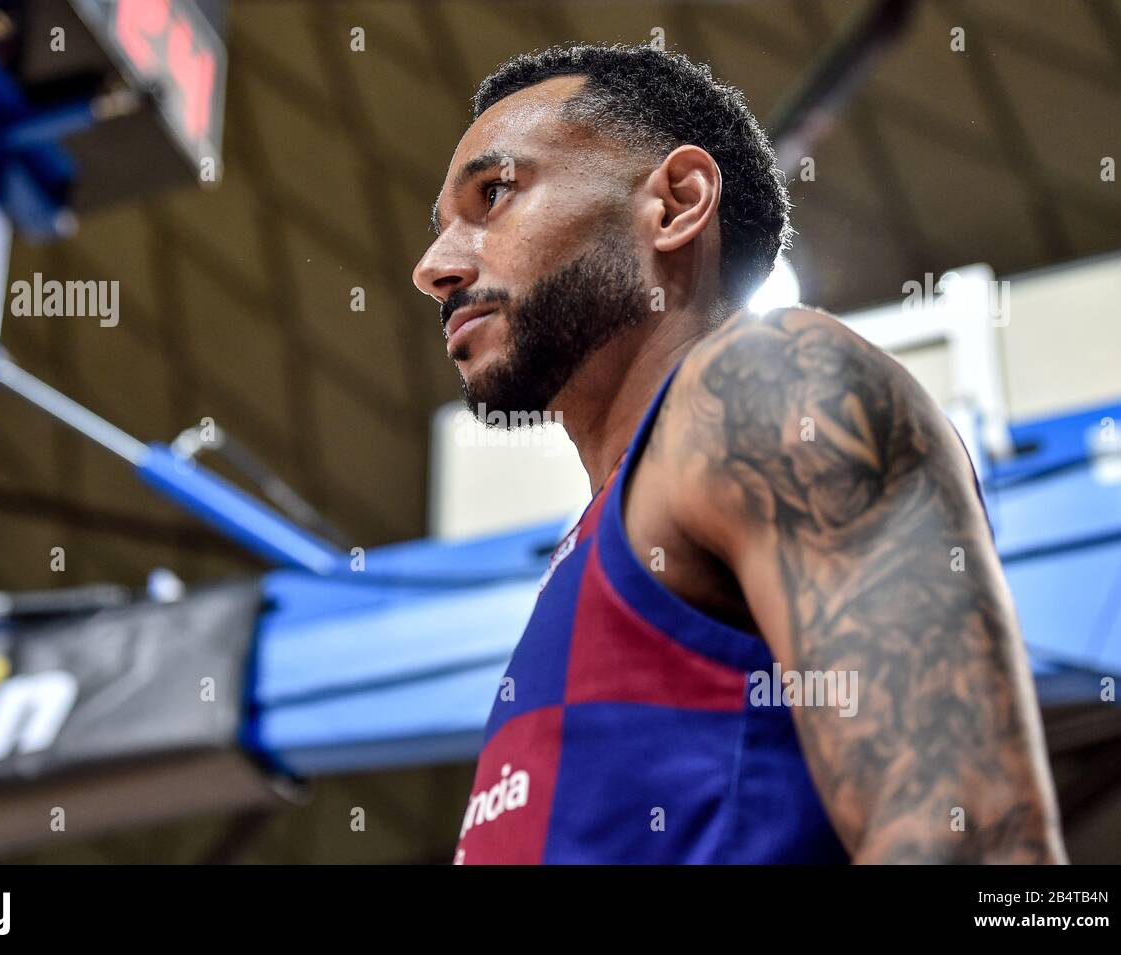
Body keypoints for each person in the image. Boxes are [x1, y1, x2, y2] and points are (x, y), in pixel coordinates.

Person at [412, 43, 1066, 864]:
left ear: (677, 203)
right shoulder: (599, 539)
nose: (433, 268)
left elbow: (982, 848)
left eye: (493, 194)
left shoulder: (773, 379)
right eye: (440, 229)